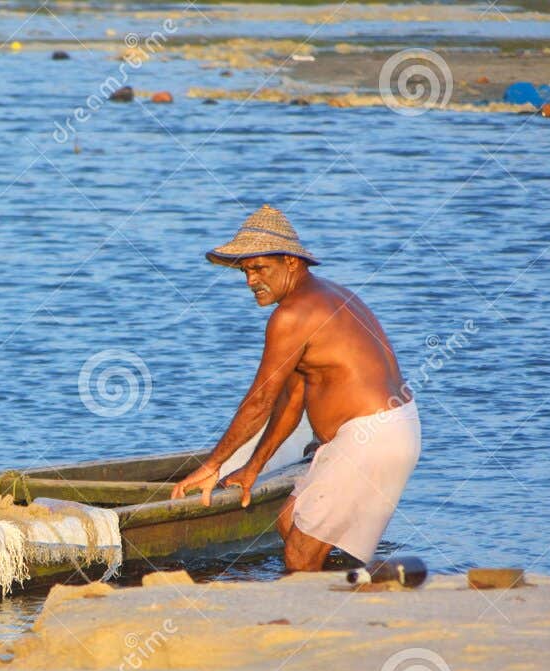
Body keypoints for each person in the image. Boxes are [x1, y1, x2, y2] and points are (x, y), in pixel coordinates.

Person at [170, 205, 420, 571]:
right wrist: (254, 466)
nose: (250, 280)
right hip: (392, 428)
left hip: (370, 435)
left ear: (290, 262)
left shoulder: (291, 315)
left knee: (300, 555)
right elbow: (291, 400)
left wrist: (213, 465)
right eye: (245, 271)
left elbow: (259, 402)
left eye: (259, 268)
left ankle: (312, 621)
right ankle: (342, 593)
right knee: (289, 520)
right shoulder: (329, 295)